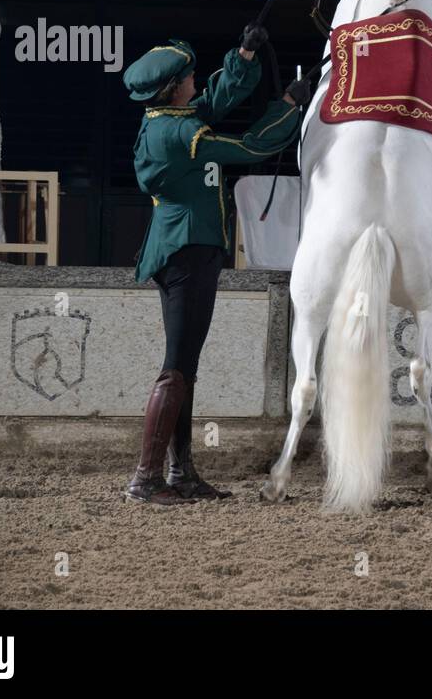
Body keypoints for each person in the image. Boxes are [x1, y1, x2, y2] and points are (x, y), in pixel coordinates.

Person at [121, 25, 304, 504]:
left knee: (186, 369)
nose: (196, 83)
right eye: (190, 78)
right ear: (174, 86)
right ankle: (146, 479)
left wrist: (243, 56)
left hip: (182, 250)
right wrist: (286, 107)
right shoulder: (181, 131)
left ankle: (180, 473)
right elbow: (251, 148)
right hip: (188, 253)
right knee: (176, 369)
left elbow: (218, 96)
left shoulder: (167, 118)